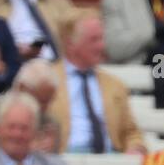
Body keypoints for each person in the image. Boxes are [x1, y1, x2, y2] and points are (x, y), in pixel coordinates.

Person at [47, 11, 145, 154]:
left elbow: (131, 132)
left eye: (102, 39)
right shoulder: (46, 81)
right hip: (64, 160)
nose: (102, 46)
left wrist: (136, 147)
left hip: (111, 160)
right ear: (70, 43)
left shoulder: (115, 85)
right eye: (94, 40)